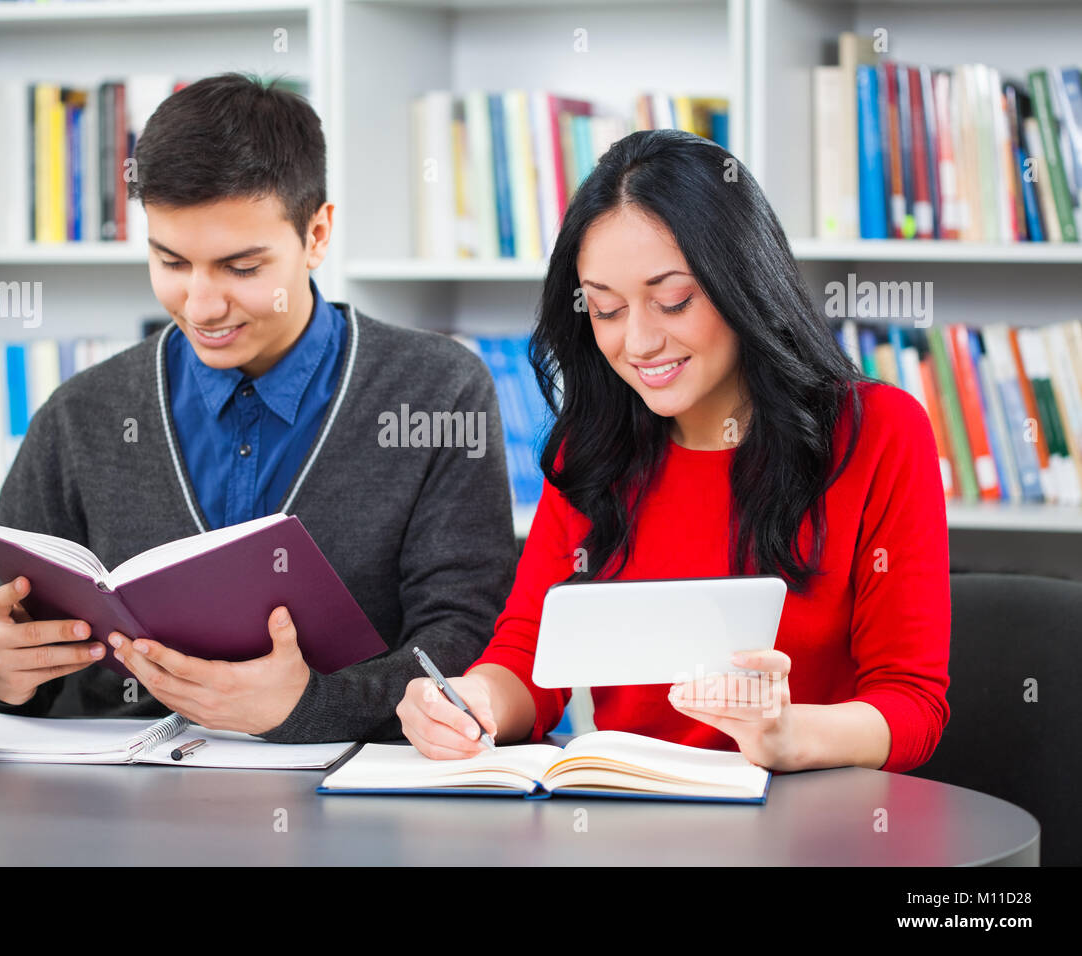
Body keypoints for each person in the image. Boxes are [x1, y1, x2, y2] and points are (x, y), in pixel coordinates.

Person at [0, 73, 518, 742]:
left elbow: (463, 647)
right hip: (119, 810)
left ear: (317, 234)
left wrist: (308, 705)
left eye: (241, 268)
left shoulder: (439, 392)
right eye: (171, 261)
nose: (202, 304)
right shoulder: (82, 415)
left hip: (351, 803)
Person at [396, 128, 951, 773]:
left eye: (673, 301)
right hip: (628, 820)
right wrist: (471, 701)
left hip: (810, 822)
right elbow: (528, 656)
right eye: (605, 310)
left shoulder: (877, 432)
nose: (638, 342)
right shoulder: (593, 447)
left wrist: (786, 736)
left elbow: (911, 705)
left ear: (743, 281)